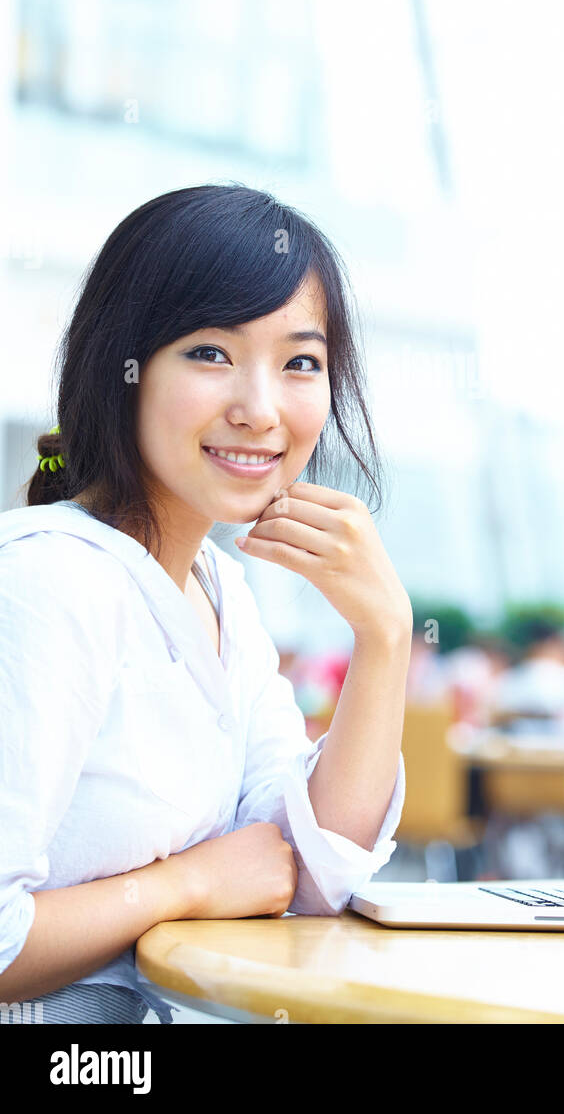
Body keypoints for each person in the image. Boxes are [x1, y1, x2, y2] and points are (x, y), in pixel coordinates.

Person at [0, 182, 412, 1023]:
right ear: (123, 368)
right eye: (210, 353)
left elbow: (308, 870)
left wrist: (385, 637)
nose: (259, 410)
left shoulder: (220, 588)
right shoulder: (52, 583)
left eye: (300, 362)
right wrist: (186, 884)